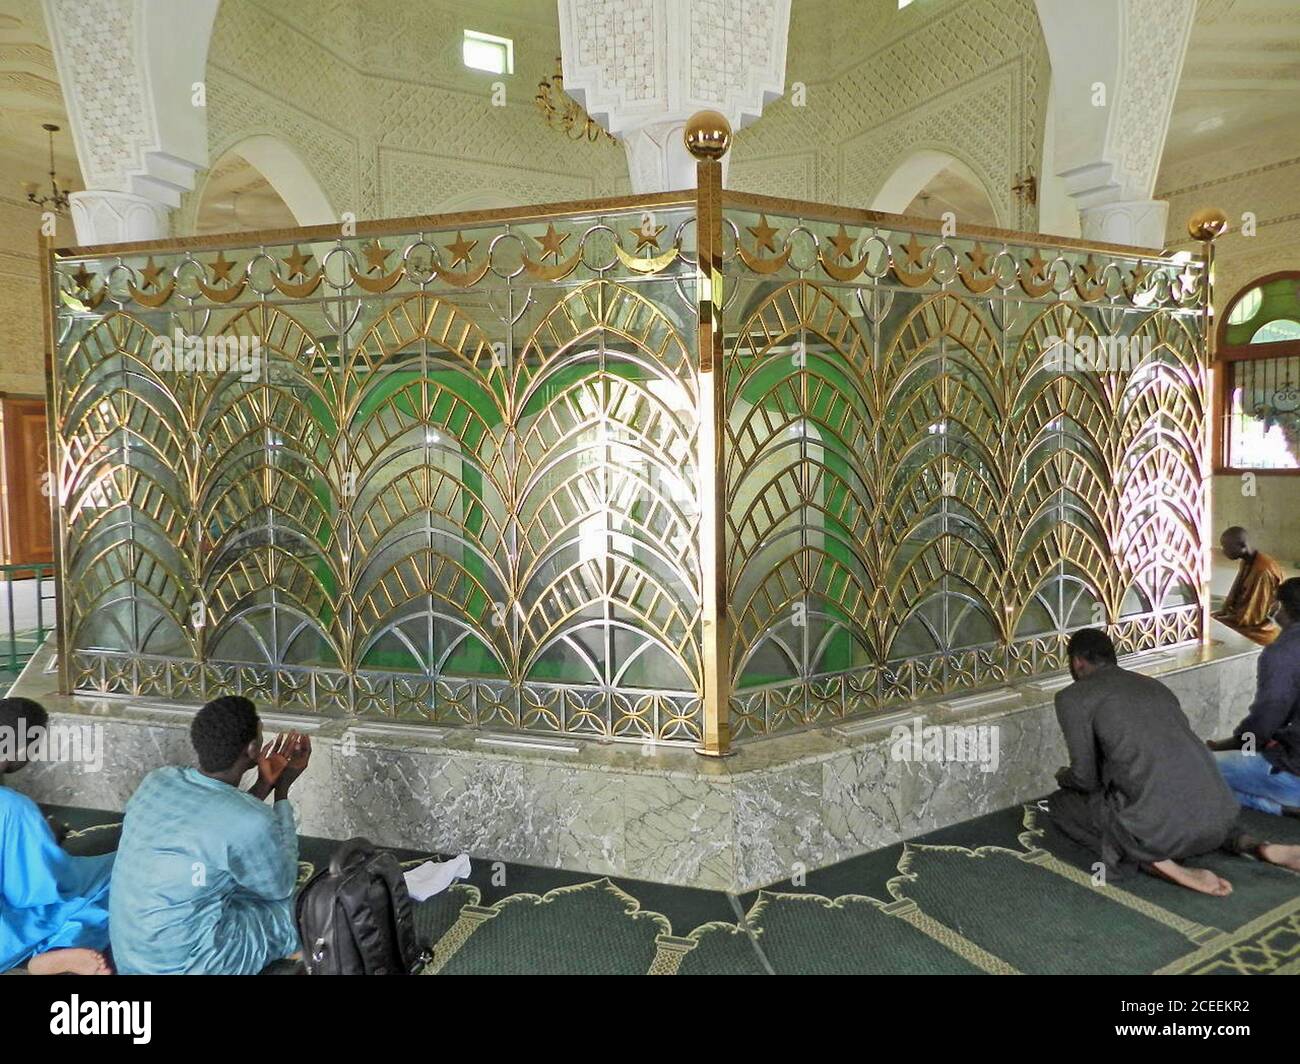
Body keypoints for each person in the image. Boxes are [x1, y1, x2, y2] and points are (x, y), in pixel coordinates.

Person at [1045, 628, 1300, 897]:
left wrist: (1064, 777)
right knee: (1183, 792)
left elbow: (1085, 778)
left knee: (1062, 805)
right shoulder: (1152, 685)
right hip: (1220, 816)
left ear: (1077, 662)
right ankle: (1257, 846)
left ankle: (1163, 865)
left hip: (1161, 835)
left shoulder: (1072, 697)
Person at [109, 696, 311, 974]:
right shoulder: (250, 820)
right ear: (253, 749)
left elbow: (218, 827)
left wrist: (264, 784)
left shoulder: (158, 780)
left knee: (224, 881)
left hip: (133, 958)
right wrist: (282, 790)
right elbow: (281, 885)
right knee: (303, 911)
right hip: (192, 965)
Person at [0, 697, 113, 975]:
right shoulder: (14, 809)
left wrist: (35, 841)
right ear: (24, 747)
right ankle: (54, 952)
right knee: (117, 877)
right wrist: (45, 846)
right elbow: (37, 890)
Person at [1208, 576, 1300, 817]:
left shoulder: (1284, 652)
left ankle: (1280, 806)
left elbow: (1265, 720)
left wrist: (1236, 744)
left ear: (1280, 608)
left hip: (1293, 772)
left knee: (1198, 768)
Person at [1212, 526, 1283, 645]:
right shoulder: (1248, 561)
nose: (1223, 551)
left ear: (1242, 546)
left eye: (1226, 547)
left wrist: (1224, 620)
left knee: (1210, 626)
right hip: (1243, 618)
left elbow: (1253, 617)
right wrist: (1224, 613)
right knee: (1208, 619)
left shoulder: (1262, 570)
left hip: (1259, 630)